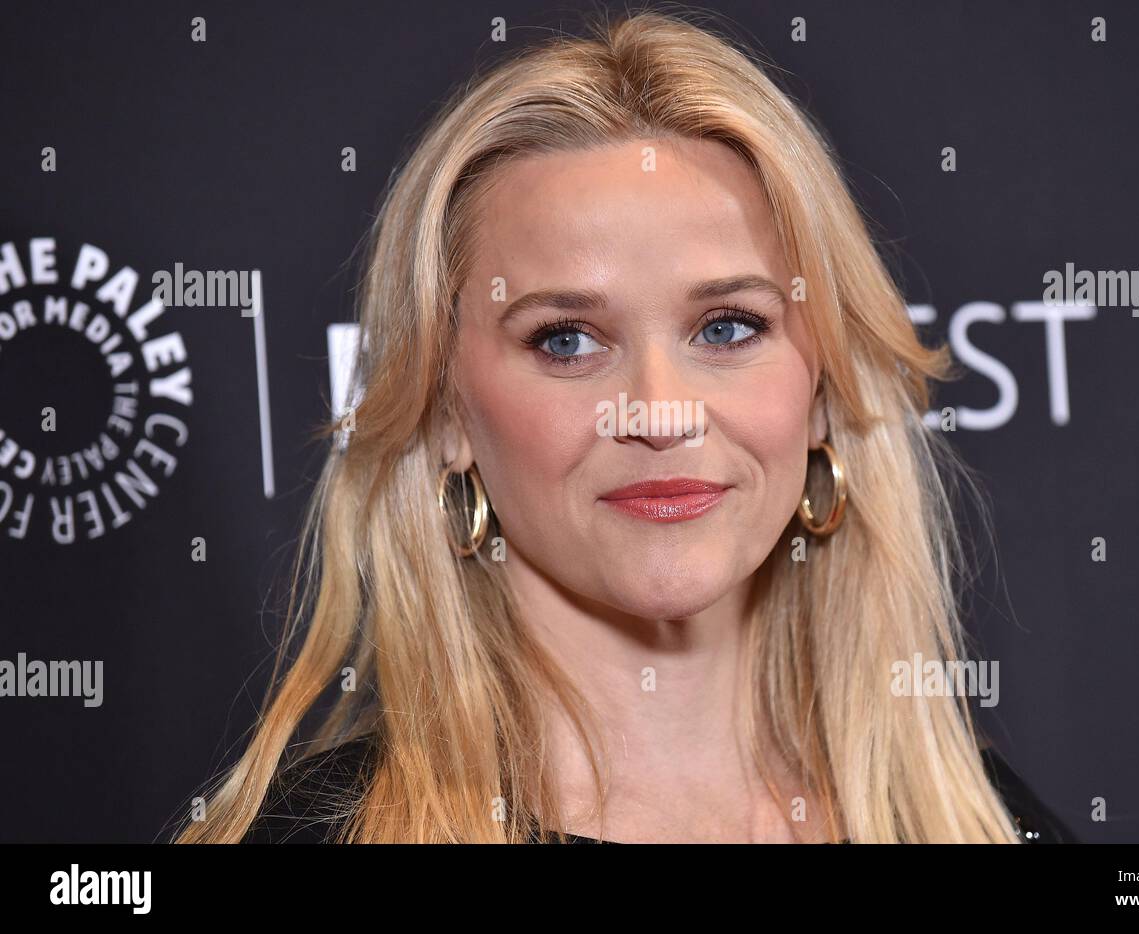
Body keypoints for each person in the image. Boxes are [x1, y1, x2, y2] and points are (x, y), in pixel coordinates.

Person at [174, 8, 1076, 844]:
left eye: (728, 327)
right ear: (448, 414)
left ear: (823, 389)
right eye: (567, 340)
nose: (659, 411)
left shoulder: (974, 821)